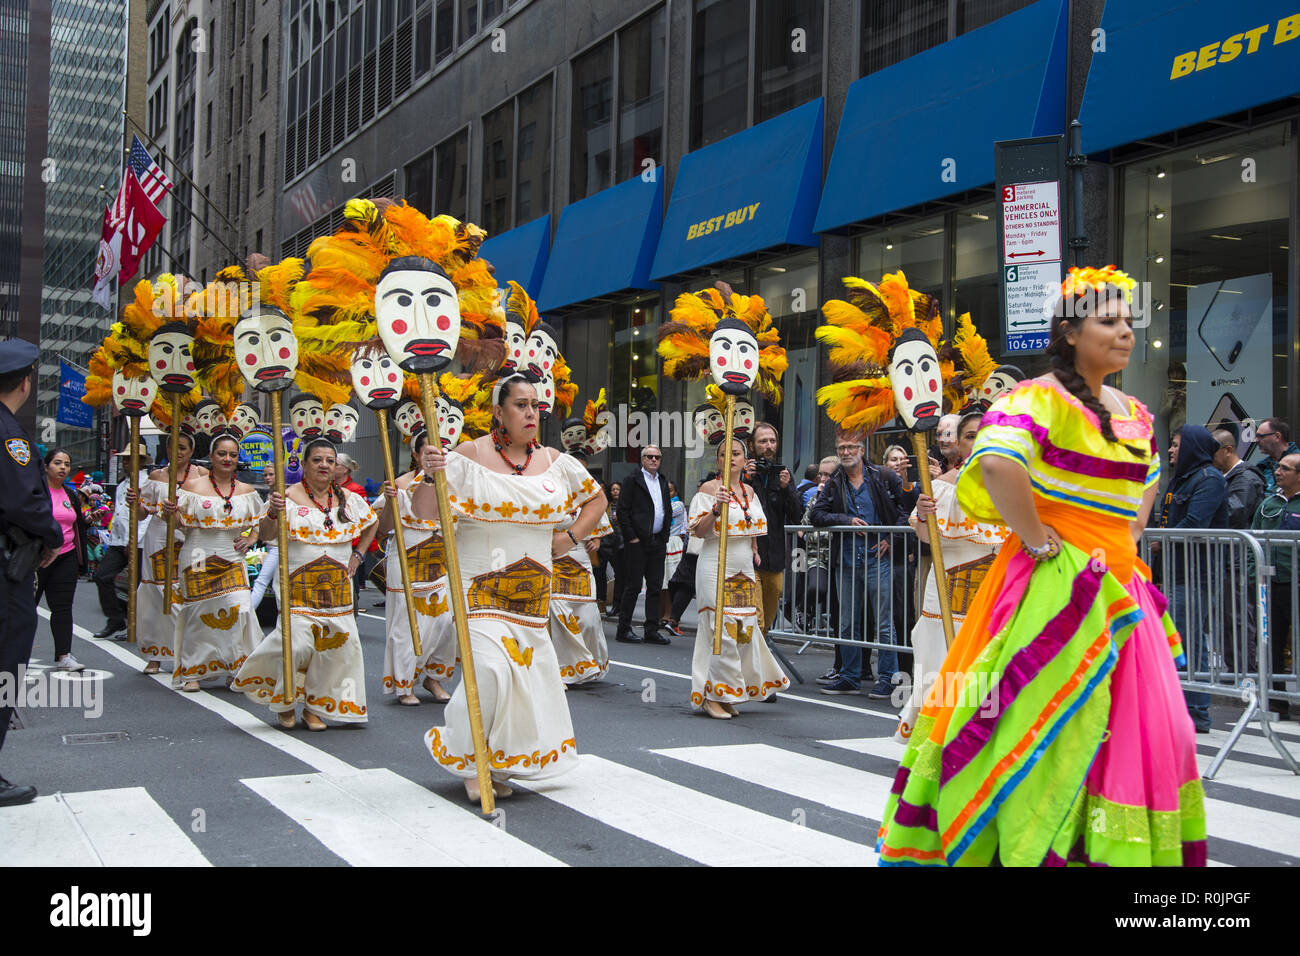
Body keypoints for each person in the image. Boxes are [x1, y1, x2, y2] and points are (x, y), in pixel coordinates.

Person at [877, 267, 1206, 867]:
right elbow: (999, 464)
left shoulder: (1133, 411)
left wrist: (1119, 540)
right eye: (1110, 321)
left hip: (1122, 592)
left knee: (1144, 729)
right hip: (1053, 589)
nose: (1126, 333)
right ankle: (1023, 844)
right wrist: (1037, 538)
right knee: (1036, 715)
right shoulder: (1034, 398)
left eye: (1129, 321)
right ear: (1070, 332)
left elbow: (1144, 490)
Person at [422, 374, 607, 802]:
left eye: (536, 405)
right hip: (477, 589)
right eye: (521, 404)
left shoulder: (557, 462)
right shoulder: (468, 454)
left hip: (531, 596)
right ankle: (472, 761)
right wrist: (432, 474)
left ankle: (499, 761)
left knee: (522, 679)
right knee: (489, 671)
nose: (531, 413)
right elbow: (427, 510)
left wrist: (569, 539)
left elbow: (596, 500)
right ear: (498, 411)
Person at [233, 438, 378, 731]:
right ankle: (286, 701)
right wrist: (273, 512)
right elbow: (268, 532)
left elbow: (372, 522)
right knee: (296, 644)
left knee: (338, 648)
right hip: (297, 587)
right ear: (305, 464)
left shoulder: (350, 499)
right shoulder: (285, 497)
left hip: (337, 591)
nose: (324, 465)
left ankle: (315, 708)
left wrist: (359, 554)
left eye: (329, 460)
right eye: (317, 460)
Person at [899, 410, 1007, 742]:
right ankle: (938, 731)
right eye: (971, 436)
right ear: (958, 444)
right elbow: (926, 536)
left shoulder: (1010, 484)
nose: (978, 441)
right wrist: (923, 517)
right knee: (940, 658)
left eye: (985, 433)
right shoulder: (941, 488)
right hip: (947, 586)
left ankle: (983, 731)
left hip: (994, 589)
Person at [0, 340, 63, 806]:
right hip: (6, 571)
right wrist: (51, 538)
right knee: (5, 665)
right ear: (24, 383)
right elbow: (25, 502)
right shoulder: (11, 437)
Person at [689, 437, 790, 718]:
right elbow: (699, 532)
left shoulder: (749, 491)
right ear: (717, 460)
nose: (730, 458)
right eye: (724, 454)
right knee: (720, 628)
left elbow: (751, 524)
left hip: (744, 565)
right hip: (715, 564)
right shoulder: (708, 490)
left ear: (746, 460)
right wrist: (716, 509)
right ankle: (713, 695)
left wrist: (755, 547)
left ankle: (728, 691)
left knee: (744, 629)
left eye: (736, 453)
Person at [159, 433, 262, 692]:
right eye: (222, 454)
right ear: (211, 457)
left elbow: (261, 521)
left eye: (233, 455)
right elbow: (176, 522)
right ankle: (192, 670)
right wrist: (168, 514)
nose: (227, 459)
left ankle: (236, 666)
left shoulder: (247, 491)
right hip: (198, 553)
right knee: (199, 614)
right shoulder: (192, 487)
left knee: (240, 609)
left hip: (231, 556)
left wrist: (251, 538)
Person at [810, 430, 906, 698]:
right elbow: (817, 514)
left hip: (878, 559)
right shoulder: (835, 481)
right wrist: (845, 519)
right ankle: (851, 675)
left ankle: (888, 677)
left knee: (884, 623)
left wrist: (891, 538)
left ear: (862, 450)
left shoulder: (881, 476)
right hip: (847, 560)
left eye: (851, 447)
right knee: (847, 622)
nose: (845, 452)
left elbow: (904, 511)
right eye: (841, 448)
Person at [374, 431, 456, 705]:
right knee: (406, 625)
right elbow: (383, 529)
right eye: (428, 452)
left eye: (441, 452)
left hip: (440, 562)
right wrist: (389, 502)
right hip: (406, 561)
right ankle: (404, 683)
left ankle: (433, 677)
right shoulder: (400, 485)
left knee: (446, 623)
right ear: (416, 455)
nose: (435, 457)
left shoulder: (452, 485)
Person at [1161, 425, 1228, 734]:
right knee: (1186, 639)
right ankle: (1189, 708)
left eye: (1176, 445)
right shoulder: (1182, 479)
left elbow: (1195, 523)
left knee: (1187, 640)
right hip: (1176, 571)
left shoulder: (1209, 479)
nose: (1171, 450)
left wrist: (1158, 540)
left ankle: (1196, 710)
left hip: (1195, 574)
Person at [126, 431, 208, 674]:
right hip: (159, 538)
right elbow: (143, 513)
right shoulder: (156, 476)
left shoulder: (203, 477)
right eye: (174, 447)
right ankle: (155, 654)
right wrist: (136, 503)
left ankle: (191, 654)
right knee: (156, 593)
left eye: (183, 447)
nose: (178, 452)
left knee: (191, 593)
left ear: (191, 452)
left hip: (192, 536)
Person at [1250, 450, 1300, 723]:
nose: (1278, 472)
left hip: (1297, 583)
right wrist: (1252, 574)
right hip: (1272, 583)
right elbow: (1252, 539)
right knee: (1271, 643)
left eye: (1285, 468)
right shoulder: (1269, 502)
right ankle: (1277, 703)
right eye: (1278, 467)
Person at [35, 449, 93, 672]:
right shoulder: (36, 492)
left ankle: (64, 656)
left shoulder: (70, 494)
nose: (62, 468)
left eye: (67, 464)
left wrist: (87, 521)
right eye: (57, 463)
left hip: (66, 556)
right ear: (47, 466)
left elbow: (75, 524)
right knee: (25, 607)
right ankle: (16, 654)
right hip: (38, 558)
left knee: (62, 608)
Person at [743, 422, 803, 633]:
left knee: (766, 623)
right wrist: (745, 479)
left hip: (775, 558)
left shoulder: (783, 474)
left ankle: (753, 659)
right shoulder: (743, 474)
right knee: (756, 620)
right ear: (752, 446)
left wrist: (787, 489)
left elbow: (797, 515)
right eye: (762, 441)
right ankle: (752, 663)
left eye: (772, 441)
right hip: (748, 556)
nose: (768, 446)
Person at [551, 492, 614, 685]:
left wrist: (597, 540)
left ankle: (588, 664)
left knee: (588, 620)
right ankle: (561, 669)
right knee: (558, 615)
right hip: (551, 558)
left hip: (581, 562)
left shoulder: (589, 494)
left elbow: (598, 526)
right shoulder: (548, 491)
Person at [615, 445, 672, 645]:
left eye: (657, 457)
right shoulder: (632, 480)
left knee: (655, 586)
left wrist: (664, 535)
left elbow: (667, 509)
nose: (654, 460)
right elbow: (622, 510)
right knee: (634, 586)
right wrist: (632, 537)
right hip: (637, 542)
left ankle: (651, 630)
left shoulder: (663, 481)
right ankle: (624, 629)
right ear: (642, 459)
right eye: (649, 456)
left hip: (657, 540)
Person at [1213, 428, 1265, 530]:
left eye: (1212, 451)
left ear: (1228, 450)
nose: (1208, 456)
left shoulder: (1246, 478)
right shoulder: (1219, 475)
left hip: (1238, 543)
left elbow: (1233, 514)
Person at [659, 481, 688, 634]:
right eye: (665, 490)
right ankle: (661, 613)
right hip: (662, 543)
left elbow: (662, 513)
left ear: (675, 492)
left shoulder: (678, 505)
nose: (667, 493)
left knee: (670, 582)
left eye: (670, 491)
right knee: (661, 582)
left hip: (673, 543)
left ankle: (670, 614)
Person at [598, 480, 624, 617]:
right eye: (613, 489)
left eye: (617, 489)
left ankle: (617, 605)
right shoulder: (606, 505)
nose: (615, 492)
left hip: (619, 544)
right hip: (604, 543)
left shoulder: (624, 506)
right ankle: (601, 603)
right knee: (600, 572)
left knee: (620, 574)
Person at [1254, 418, 1300, 494]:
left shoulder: (1298, 461)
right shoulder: (1262, 466)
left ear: (1277, 436)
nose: (1256, 440)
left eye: (1261, 436)